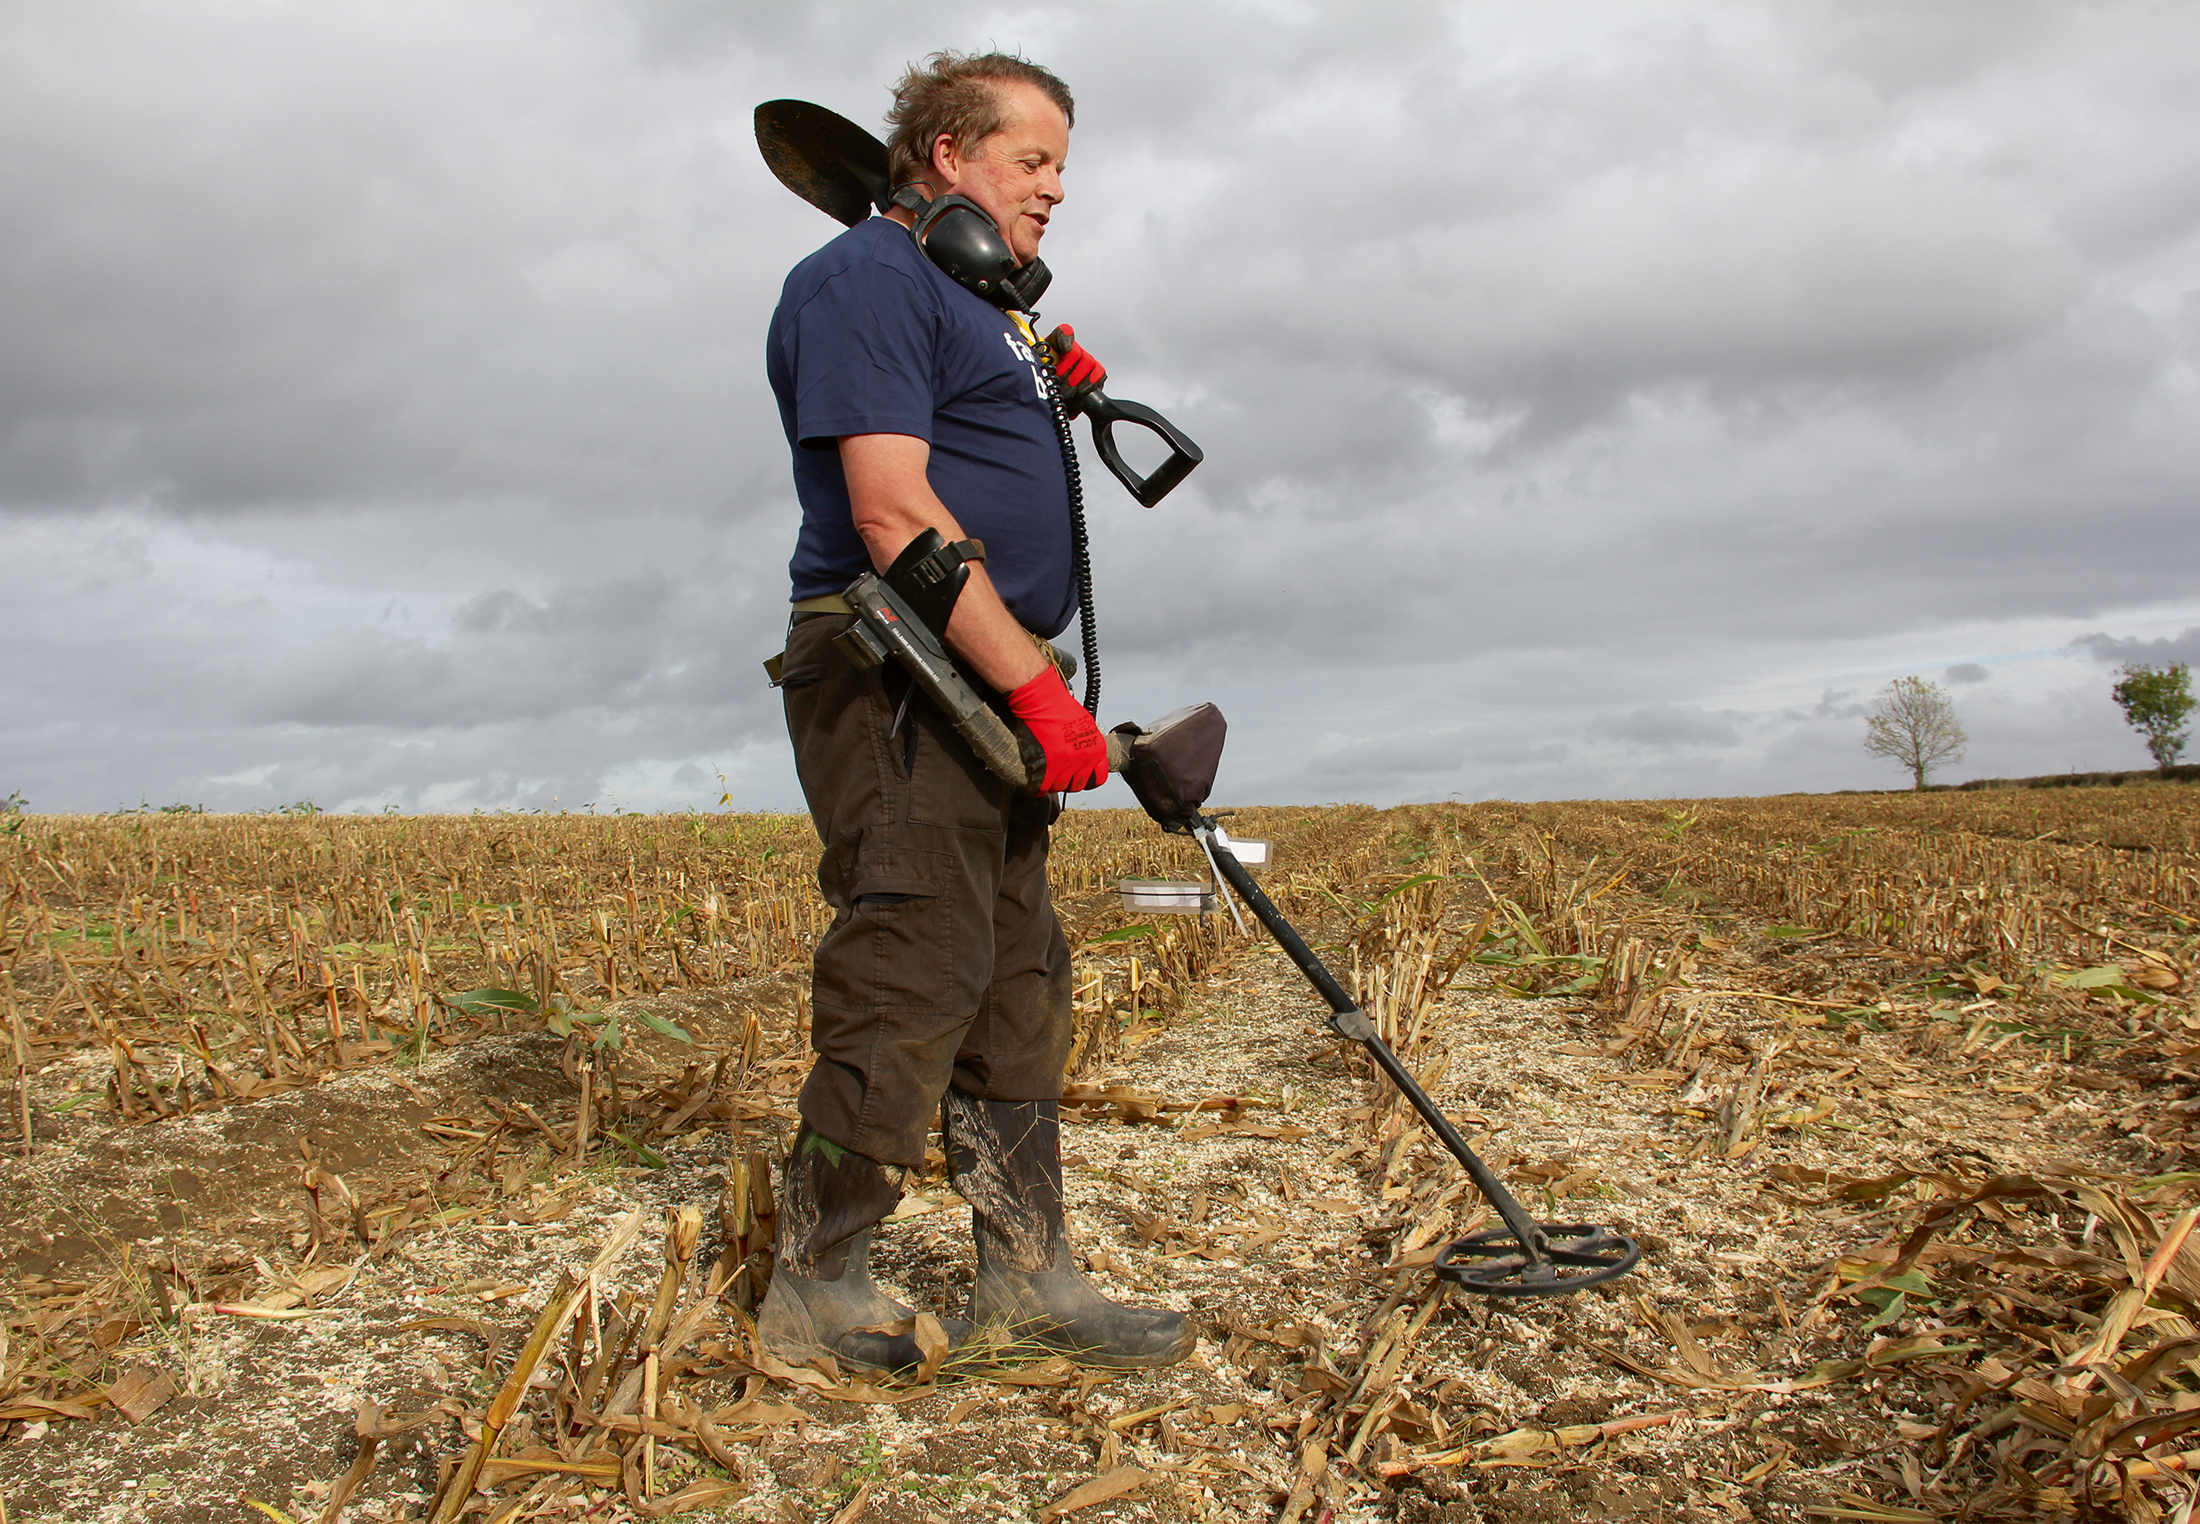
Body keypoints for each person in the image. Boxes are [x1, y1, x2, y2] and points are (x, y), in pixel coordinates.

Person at [757, 51, 1194, 1372]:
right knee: (917, 960)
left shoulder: (968, 300)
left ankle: (1025, 1275)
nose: (1058, 188)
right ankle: (813, 1282)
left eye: (1061, 164)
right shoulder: (865, 279)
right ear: (947, 156)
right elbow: (892, 511)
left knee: (1016, 980)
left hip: (973, 678)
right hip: (894, 671)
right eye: (1033, 159)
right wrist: (1040, 689)